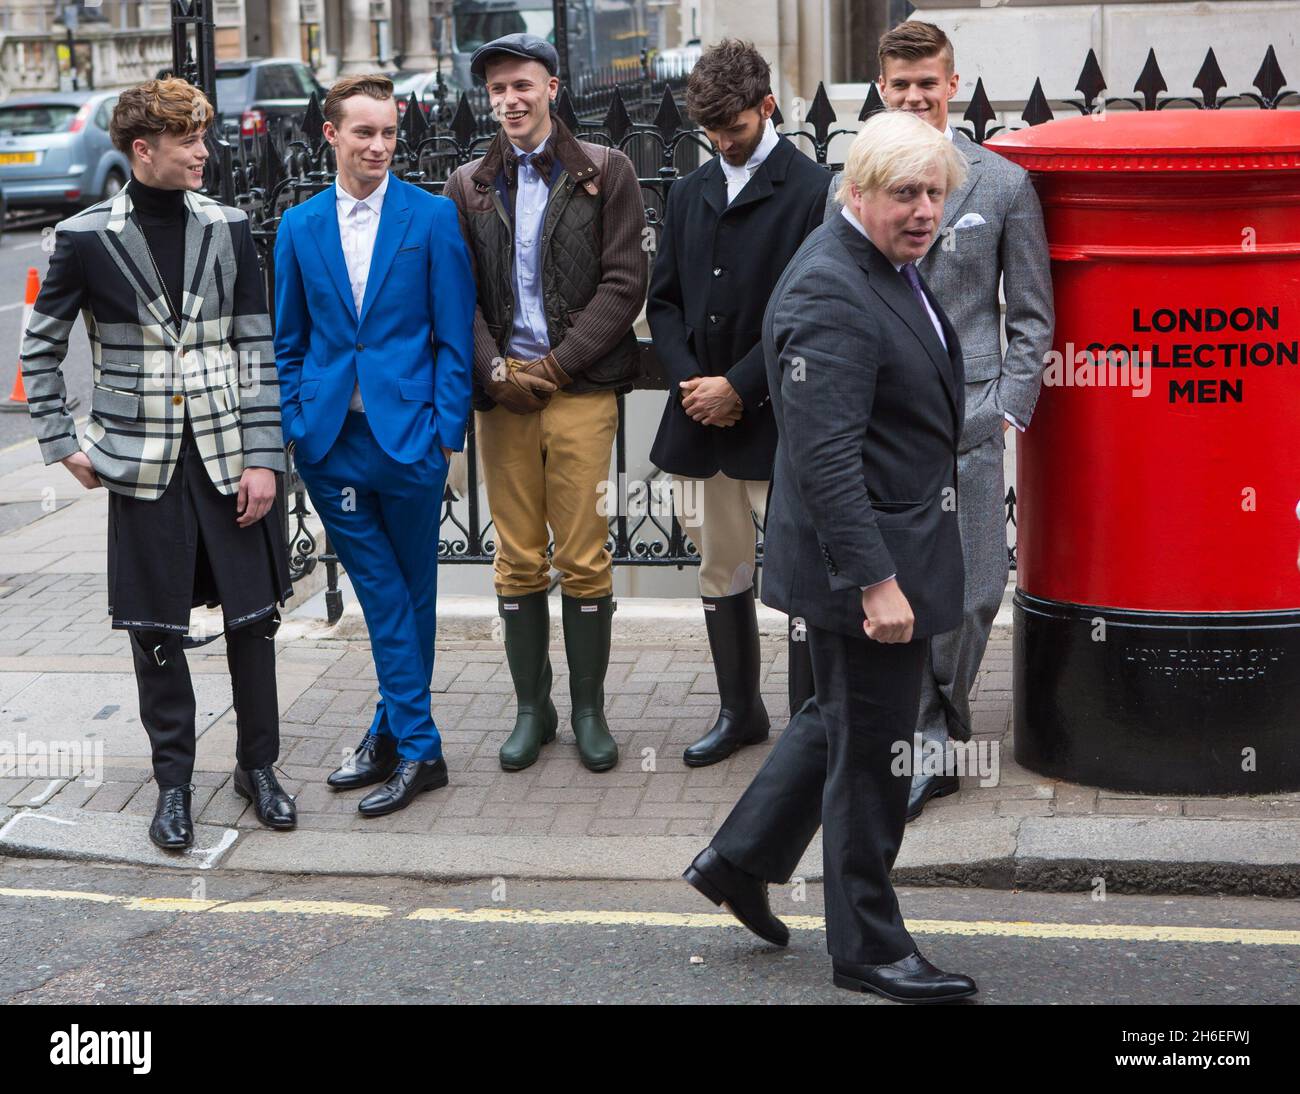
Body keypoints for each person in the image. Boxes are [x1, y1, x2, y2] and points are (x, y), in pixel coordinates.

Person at [684, 110, 978, 1003]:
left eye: (934, 193)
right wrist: (878, 584)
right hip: (866, 567)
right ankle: (869, 947)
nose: (924, 211)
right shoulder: (831, 290)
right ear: (856, 193)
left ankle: (738, 861)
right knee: (874, 756)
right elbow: (822, 461)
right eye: (904, 194)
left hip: (890, 551)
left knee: (834, 720)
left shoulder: (884, 264)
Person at [20, 78, 295, 849]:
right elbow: (40, 349)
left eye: (203, 138)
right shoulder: (83, 237)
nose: (205, 153)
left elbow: (256, 350)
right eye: (189, 142)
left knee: (253, 623)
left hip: (230, 454)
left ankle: (259, 768)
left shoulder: (230, 226)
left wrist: (266, 458)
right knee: (156, 631)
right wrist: (61, 440)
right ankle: (173, 785)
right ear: (145, 150)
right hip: (138, 465)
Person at [805, 21, 1054, 820]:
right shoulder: (847, 183)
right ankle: (923, 737)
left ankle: (940, 721)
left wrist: (1006, 408)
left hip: (970, 422)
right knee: (893, 585)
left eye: (928, 84)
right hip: (883, 424)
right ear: (882, 89)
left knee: (977, 589)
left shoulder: (1005, 185)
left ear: (952, 84)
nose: (915, 97)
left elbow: (1032, 322)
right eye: (901, 85)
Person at [443, 33, 648, 774]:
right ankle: (534, 709)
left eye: (523, 85)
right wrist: (495, 371)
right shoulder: (467, 184)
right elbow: (455, 292)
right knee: (518, 558)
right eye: (498, 89)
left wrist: (556, 365)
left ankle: (590, 711)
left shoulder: (606, 170)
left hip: (578, 389)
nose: (511, 100)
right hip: (502, 397)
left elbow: (625, 284)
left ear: (552, 88)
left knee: (586, 558)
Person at [273, 74, 475, 816]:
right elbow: (289, 342)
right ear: (331, 135)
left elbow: (454, 337)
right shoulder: (298, 228)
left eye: (389, 132)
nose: (380, 146)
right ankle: (421, 747)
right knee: (384, 591)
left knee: (412, 595)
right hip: (332, 444)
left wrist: (443, 437)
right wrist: (299, 425)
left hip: (410, 441)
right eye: (365, 133)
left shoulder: (432, 219)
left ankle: (392, 735)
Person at [646, 40, 828, 768]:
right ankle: (739, 713)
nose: (723, 144)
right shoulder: (690, 192)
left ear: (767, 106)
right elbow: (663, 303)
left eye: (737, 130)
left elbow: (809, 312)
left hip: (778, 418)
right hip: (700, 421)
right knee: (720, 570)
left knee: (800, 576)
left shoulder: (814, 189)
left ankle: (810, 727)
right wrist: (695, 384)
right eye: (711, 133)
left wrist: (739, 387)